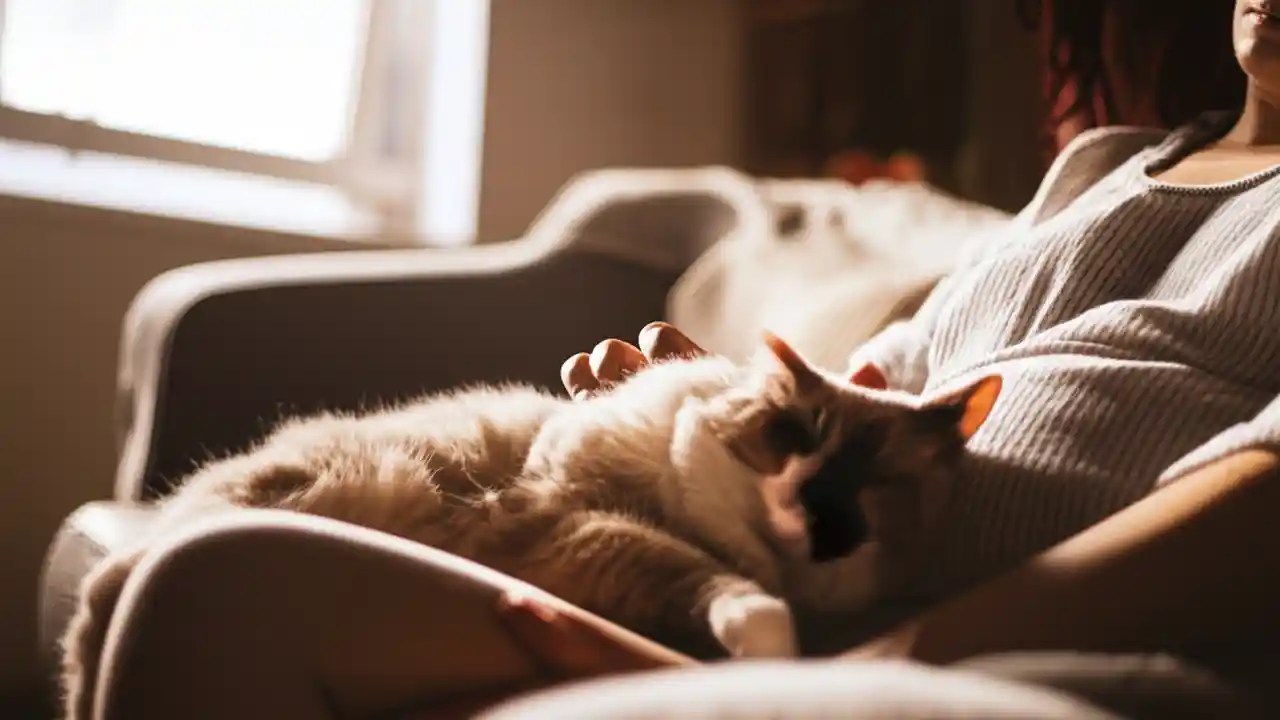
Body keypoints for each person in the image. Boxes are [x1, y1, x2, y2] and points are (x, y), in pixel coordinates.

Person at [483, 0, 1280, 716]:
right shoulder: (1095, 170)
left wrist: (868, 668)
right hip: (758, 606)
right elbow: (875, 387)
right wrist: (706, 425)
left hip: (992, 667)